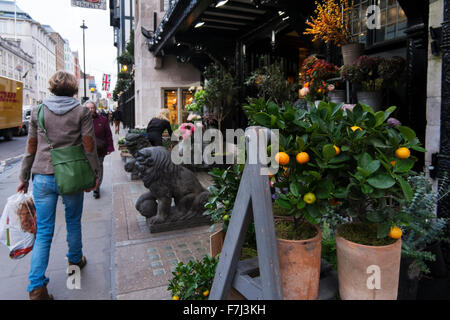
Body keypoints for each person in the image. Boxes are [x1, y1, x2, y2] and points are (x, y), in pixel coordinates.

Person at [17, 71, 100, 300]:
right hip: (72, 174)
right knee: (73, 222)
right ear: (73, 88)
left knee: (43, 232)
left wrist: (24, 177)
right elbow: (89, 145)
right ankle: (75, 260)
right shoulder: (81, 111)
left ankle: (36, 288)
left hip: (42, 176)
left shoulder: (39, 110)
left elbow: (31, 147)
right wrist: (95, 173)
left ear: (52, 87)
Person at [85, 100, 114, 199]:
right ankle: (90, 183)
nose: (90, 110)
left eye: (92, 108)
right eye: (88, 108)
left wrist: (110, 147)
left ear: (95, 108)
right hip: (86, 150)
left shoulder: (102, 119)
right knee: (89, 168)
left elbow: (108, 134)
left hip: (100, 149)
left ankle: (97, 188)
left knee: (99, 168)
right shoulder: (81, 120)